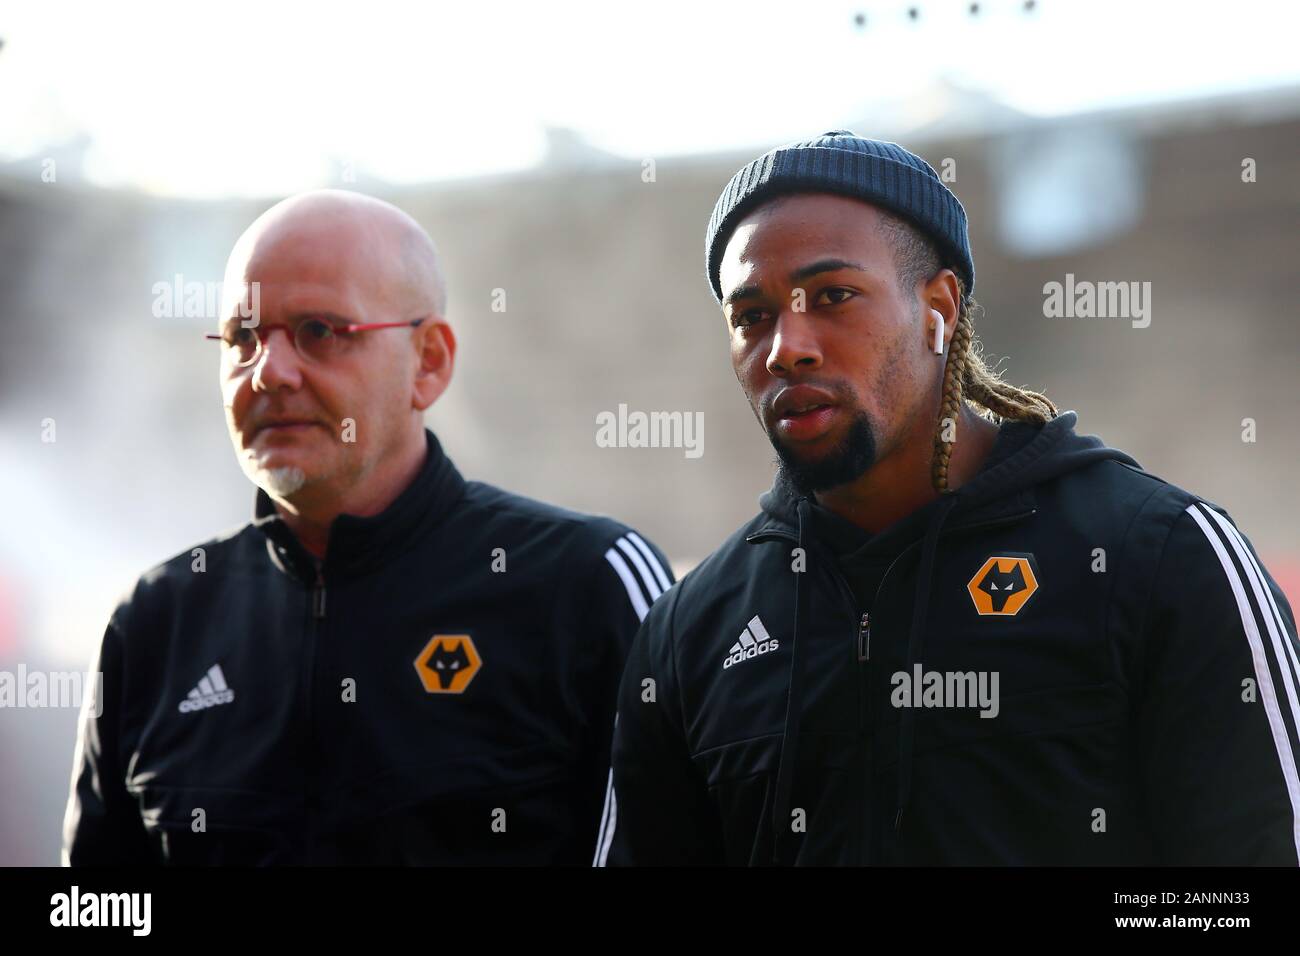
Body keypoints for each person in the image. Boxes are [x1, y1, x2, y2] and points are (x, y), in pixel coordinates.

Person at [599, 131, 1299, 866]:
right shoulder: (690, 631)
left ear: (938, 307)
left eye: (834, 296)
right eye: (752, 316)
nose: (787, 347)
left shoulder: (1161, 554)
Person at [63, 190, 672, 865]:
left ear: (430, 360)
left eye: (319, 331)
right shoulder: (155, 620)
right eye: (242, 337)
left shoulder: (587, 585)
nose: (269, 371)